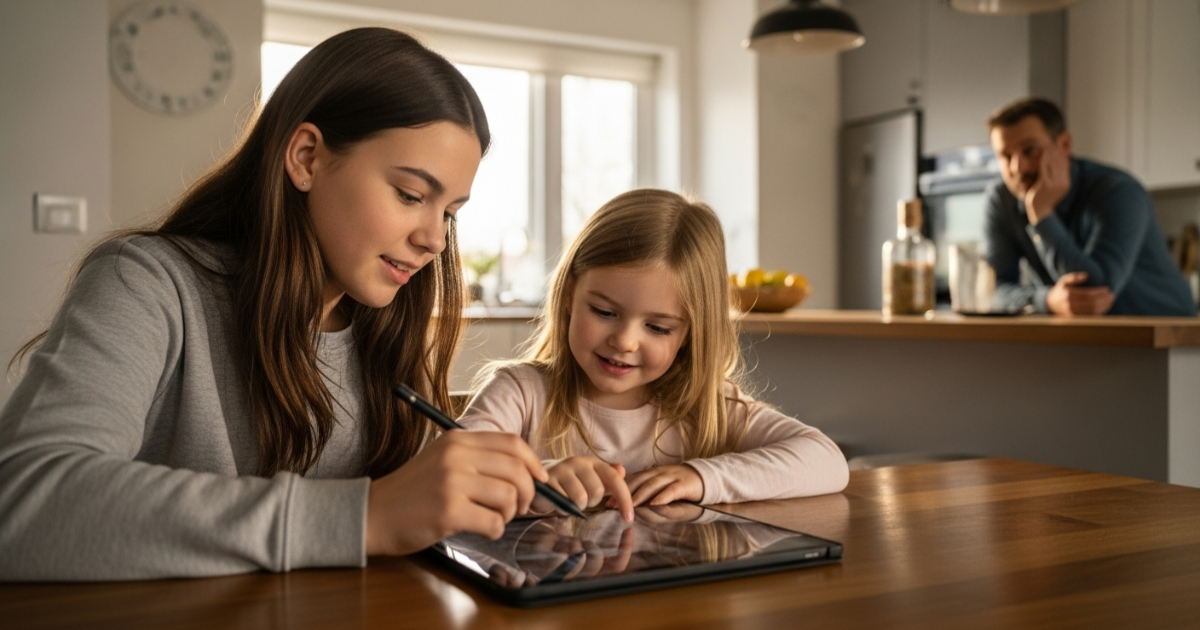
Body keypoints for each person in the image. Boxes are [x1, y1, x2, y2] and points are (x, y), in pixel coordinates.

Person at [0, 28, 552, 581]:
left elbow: (409, 501)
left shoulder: (384, 328)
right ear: (307, 157)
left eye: (450, 212)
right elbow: (24, 500)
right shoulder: (146, 284)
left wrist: (513, 488)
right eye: (411, 195)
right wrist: (363, 517)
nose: (435, 239)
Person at [457, 189, 849, 522]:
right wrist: (540, 481)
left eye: (658, 328)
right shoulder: (521, 393)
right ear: (569, 295)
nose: (625, 341)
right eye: (605, 312)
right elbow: (453, 475)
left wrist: (702, 477)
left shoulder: (705, 408)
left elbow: (826, 461)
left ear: (689, 334)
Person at [983, 97, 1196, 316]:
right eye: (1005, 156)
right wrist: (1046, 300)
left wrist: (1041, 214)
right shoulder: (1001, 199)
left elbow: (1093, 292)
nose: (1017, 167)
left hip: (1168, 338)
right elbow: (990, 289)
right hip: (1089, 337)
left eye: (1030, 151)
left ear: (1064, 144)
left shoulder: (1120, 191)